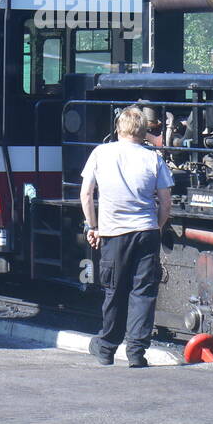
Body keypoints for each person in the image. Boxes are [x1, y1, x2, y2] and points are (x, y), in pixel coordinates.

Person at [80, 105, 174, 368]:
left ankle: (107, 348)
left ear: (118, 128)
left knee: (114, 291)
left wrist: (92, 226)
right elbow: (166, 202)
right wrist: (156, 226)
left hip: (113, 233)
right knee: (143, 292)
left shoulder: (100, 153)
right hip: (146, 231)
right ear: (144, 131)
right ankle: (136, 352)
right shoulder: (153, 157)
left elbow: (86, 194)